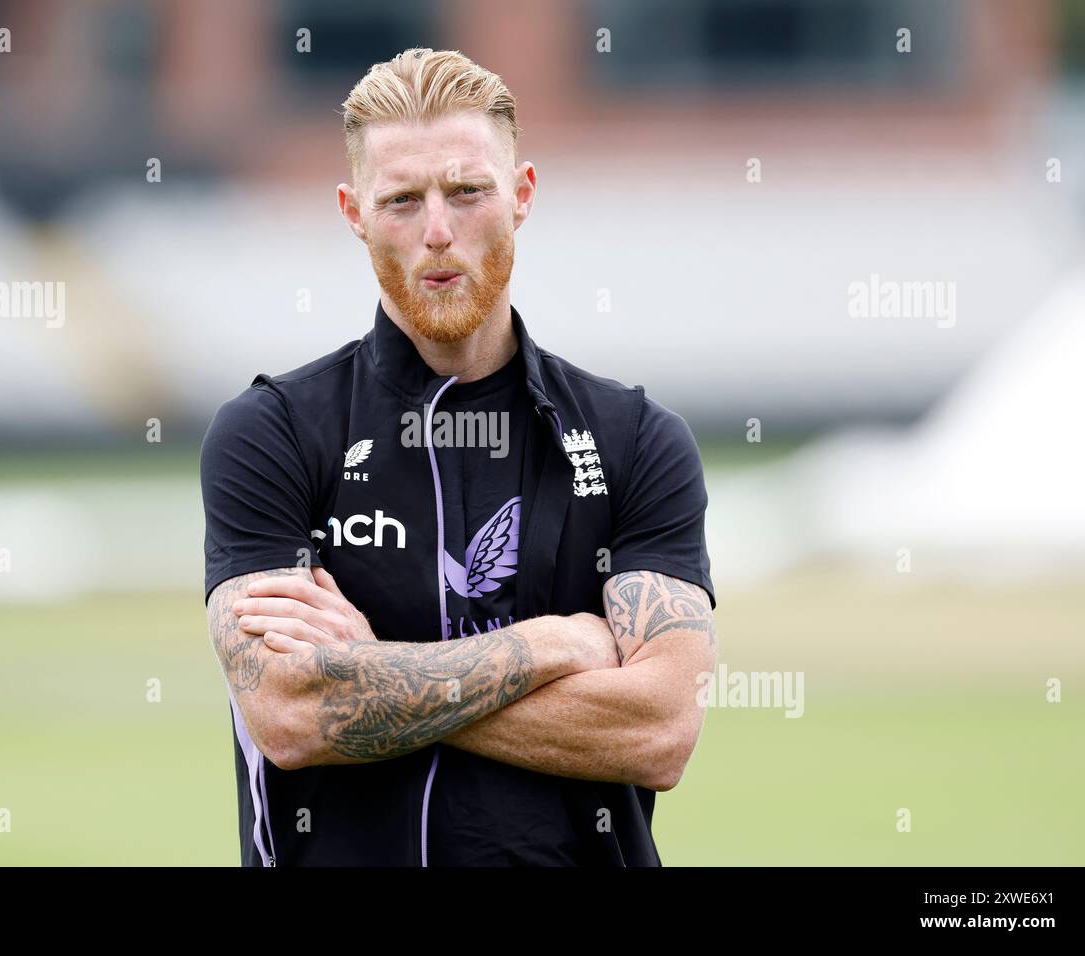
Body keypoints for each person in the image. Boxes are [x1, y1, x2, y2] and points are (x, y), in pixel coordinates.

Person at [201, 48, 717, 867]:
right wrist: (554, 646)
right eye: (401, 199)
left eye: (468, 191)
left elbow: (658, 730)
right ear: (353, 213)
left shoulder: (637, 438)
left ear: (521, 195)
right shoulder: (272, 433)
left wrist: (369, 674)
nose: (438, 231)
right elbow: (292, 717)